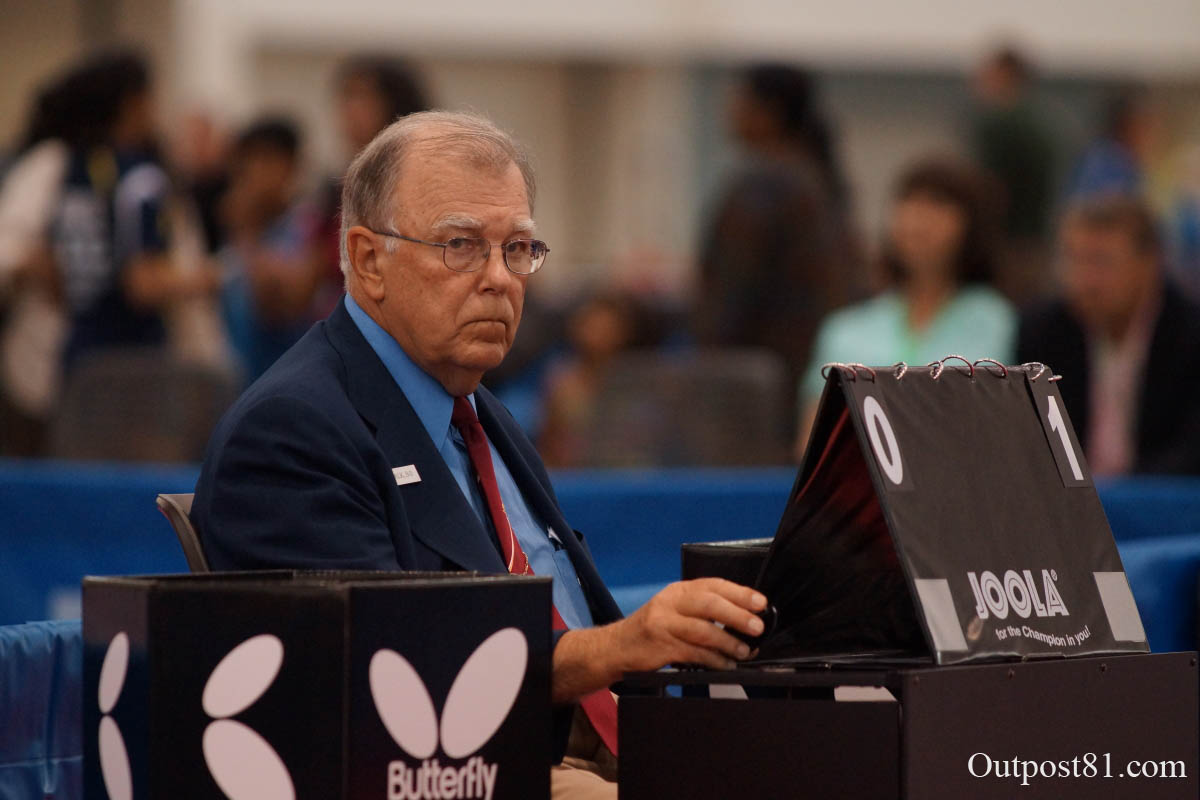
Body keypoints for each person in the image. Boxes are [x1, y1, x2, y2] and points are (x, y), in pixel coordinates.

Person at [191, 111, 767, 798]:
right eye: (461, 245)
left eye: (518, 248)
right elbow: (398, 673)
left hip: (618, 750)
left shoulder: (478, 410)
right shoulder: (292, 432)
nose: (501, 278)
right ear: (370, 260)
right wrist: (620, 646)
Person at [797, 158, 1016, 450]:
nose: (918, 219)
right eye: (909, 203)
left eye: (937, 205)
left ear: (969, 223)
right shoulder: (844, 328)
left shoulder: (994, 319)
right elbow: (812, 442)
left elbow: (995, 428)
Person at [695, 64, 860, 409]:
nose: (729, 110)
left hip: (757, 386)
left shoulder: (764, 186)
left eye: (740, 99)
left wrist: (706, 366)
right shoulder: (815, 179)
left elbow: (730, 295)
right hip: (806, 376)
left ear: (768, 112)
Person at [49, 50, 219, 368]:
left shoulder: (74, 168)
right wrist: (213, 277)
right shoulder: (141, 177)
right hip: (132, 359)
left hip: (77, 352)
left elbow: (50, 264)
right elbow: (142, 285)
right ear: (134, 103)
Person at [1017, 194, 1200, 475]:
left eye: (1101, 262)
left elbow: (1189, 454)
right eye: (1073, 259)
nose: (1085, 280)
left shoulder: (1188, 333)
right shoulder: (1042, 330)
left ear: (1150, 264)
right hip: (1067, 506)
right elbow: (1029, 441)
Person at [218, 117, 320, 382]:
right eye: (246, 163)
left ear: (291, 165)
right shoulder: (241, 233)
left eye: (265, 160)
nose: (254, 174)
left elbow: (276, 308)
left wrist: (246, 230)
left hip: (290, 382)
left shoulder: (307, 226)